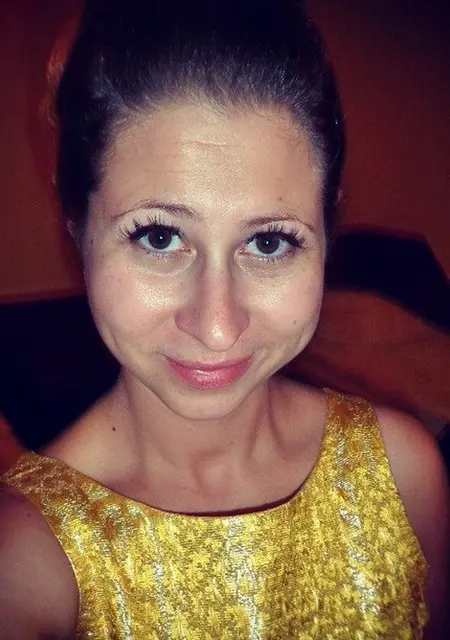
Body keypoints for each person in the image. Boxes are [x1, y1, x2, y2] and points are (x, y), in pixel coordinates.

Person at [0, 1, 448, 637]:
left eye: (269, 241)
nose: (217, 326)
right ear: (77, 224)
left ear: (327, 232)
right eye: (159, 236)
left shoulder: (405, 473)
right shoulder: (26, 564)